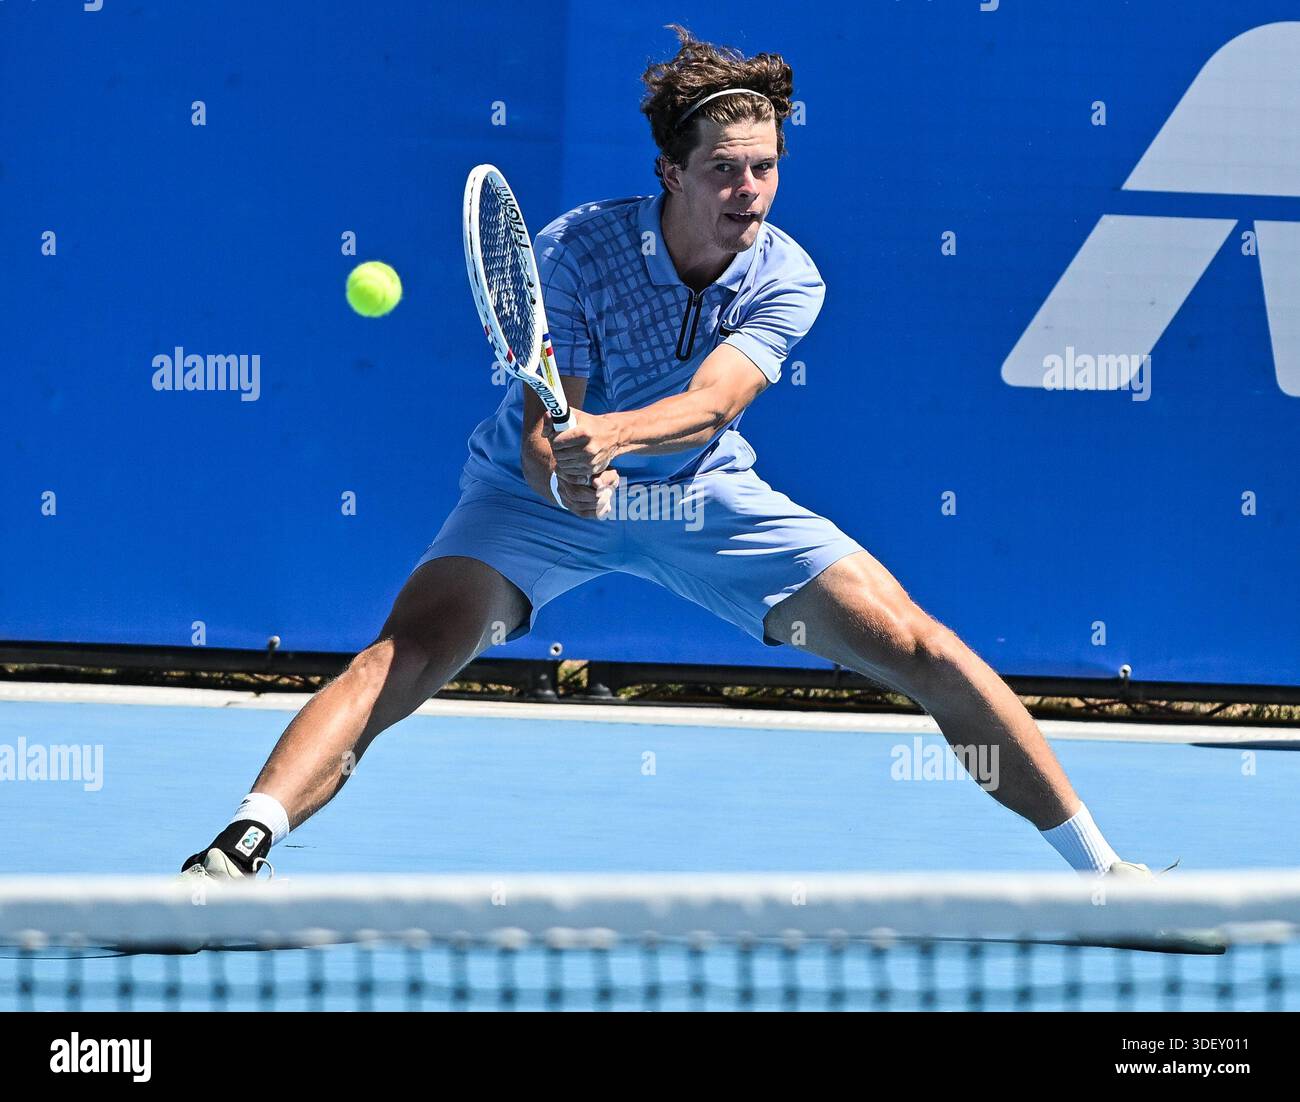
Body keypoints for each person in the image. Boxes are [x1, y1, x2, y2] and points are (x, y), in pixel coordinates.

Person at [182, 26, 1148, 882]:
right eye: (726, 168)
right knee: (410, 651)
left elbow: (714, 402)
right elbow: (536, 434)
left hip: (700, 492)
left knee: (920, 646)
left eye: (765, 166)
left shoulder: (789, 274)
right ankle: (236, 848)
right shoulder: (574, 252)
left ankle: (1107, 870)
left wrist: (607, 442)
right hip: (529, 510)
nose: (750, 190)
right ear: (672, 172)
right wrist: (563, 471)